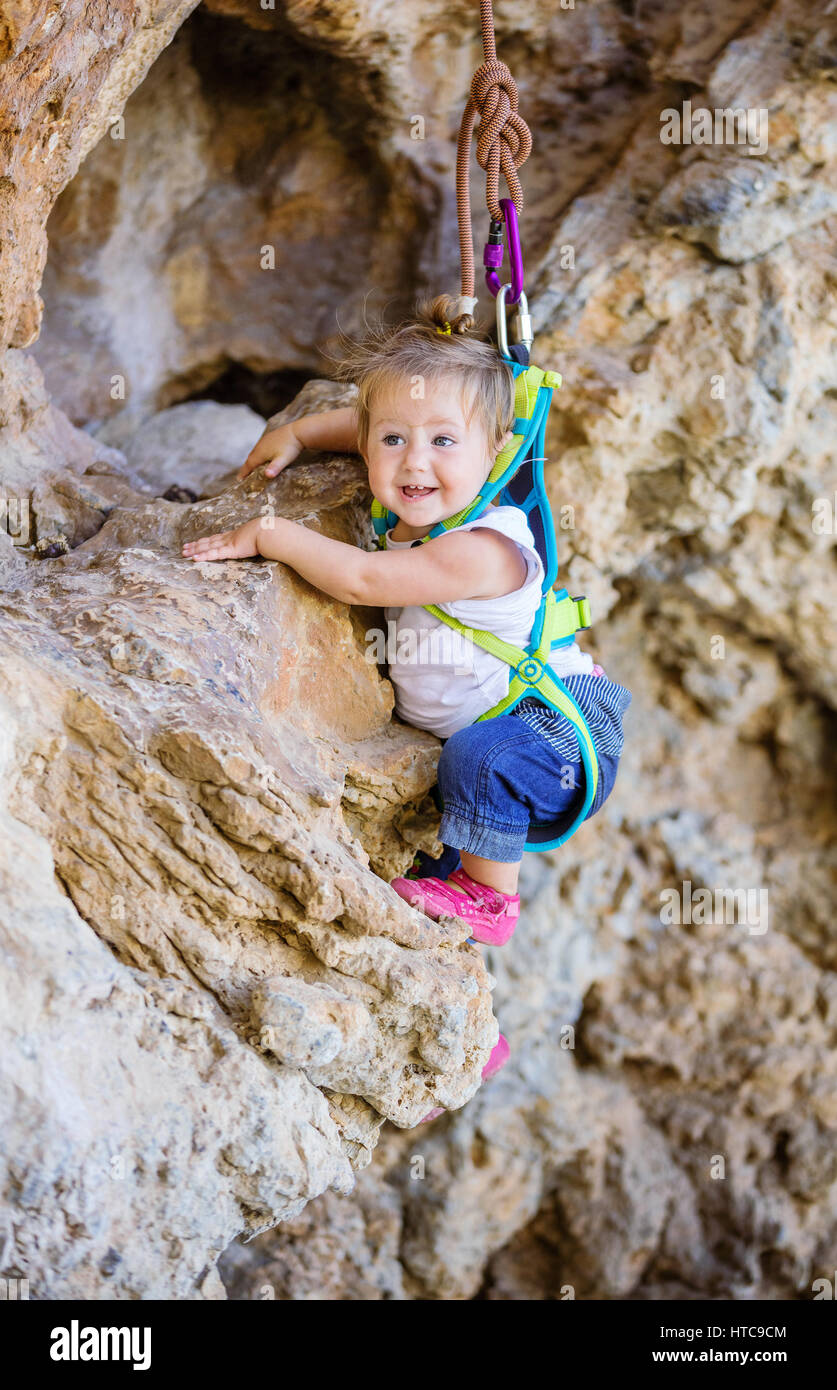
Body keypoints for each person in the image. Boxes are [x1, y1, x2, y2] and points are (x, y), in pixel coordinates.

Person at [182, 294, 632, 1102]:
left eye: (442, 442)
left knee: (476, 762)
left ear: (496, 453)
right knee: (415, 875)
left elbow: (360, 578)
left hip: (556, 733)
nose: (411, 462)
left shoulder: (484, 547)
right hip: (495, 745)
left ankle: (493, 902)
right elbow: (357, 423)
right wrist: (293, 432)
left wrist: (271, 535)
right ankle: (467, 1022)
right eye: (393, 441)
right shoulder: (404, 470)